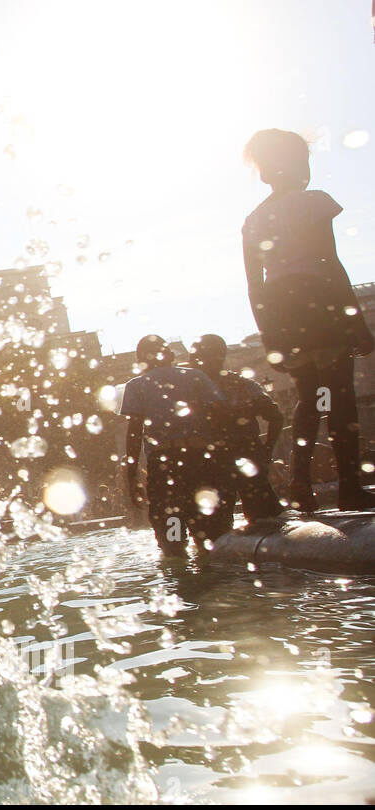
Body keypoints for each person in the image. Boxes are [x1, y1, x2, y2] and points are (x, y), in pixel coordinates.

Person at [242, 129, 375, 511]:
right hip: (317, 301)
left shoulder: (253, 219)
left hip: (282, 310)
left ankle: (300, 485)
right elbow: (330, 262)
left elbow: (255, 286)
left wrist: (269, 337)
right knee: (339, 396)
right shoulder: (313, 202)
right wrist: (356, 321)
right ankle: (350, 485)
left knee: (309, 398)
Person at [120, 336, 231, 556]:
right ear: (169, 354)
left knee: (172, 538)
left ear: (140, 360)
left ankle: (179, 574)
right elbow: (219, 417)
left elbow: (134, 432)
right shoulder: (195, 376)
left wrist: (132, 476)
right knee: (210, 532)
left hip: (165, 465)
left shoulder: (136, 385)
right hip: (200, 459)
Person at [188, 334, 283, 522]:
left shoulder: (190, 391)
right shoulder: (244, 385)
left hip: (212, 461)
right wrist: (266, 450)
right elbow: (276, 417)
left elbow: (276, 417)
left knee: (215, 525)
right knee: (266, 517)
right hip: (248, 457)